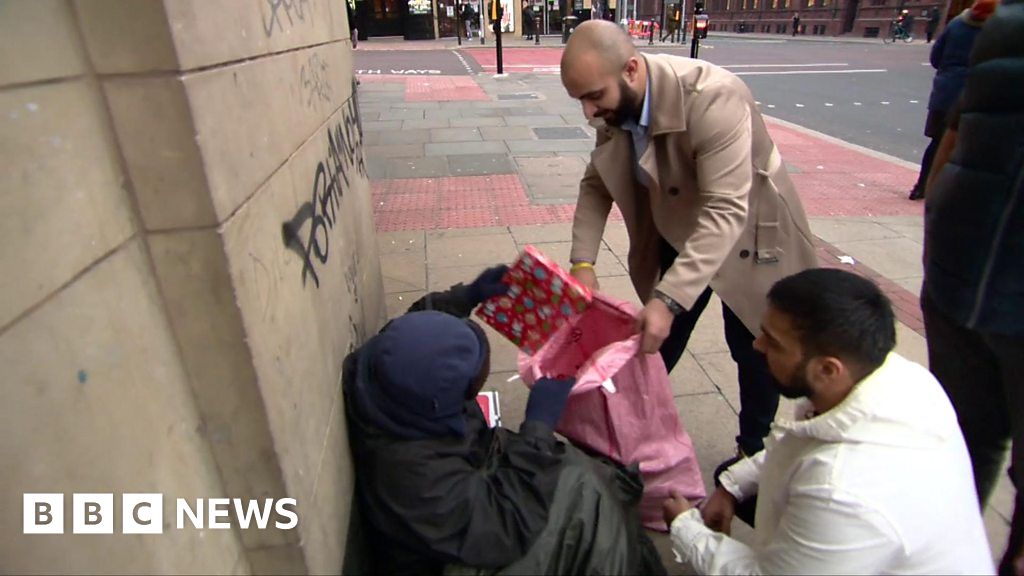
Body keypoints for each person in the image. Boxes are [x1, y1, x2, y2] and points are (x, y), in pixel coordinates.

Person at [560, 21, 817, 465]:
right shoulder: (616, 108)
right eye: (579, 99)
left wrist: (667, 298)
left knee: (756, 348)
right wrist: (582, 263)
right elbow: (596, 184)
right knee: (657, 338)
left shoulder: (714, 97)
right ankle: (624, 429)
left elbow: (725, 210)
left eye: (594, 96)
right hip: (679, 228)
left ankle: (752, 452)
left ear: (632, 70)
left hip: (751, 235)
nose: (588, 112)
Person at [662, 268, 995, 574]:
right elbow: (799, 439)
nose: (757, 344)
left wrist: (684, 528)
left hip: (845, 521)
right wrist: (732, 486)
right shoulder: (898, 377)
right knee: (730, 475)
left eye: (773, 342)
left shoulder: (841, 491)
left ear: (827, 369)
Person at [344, 266, 666, 575]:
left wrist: (467, 296)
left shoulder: (381, 369)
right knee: (586, 504)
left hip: (466, 480)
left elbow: (415, 324)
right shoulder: (415, 478)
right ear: (439, 405)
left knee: (580, 473)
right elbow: (504, 525)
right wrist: (537, 425)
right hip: (448, 555)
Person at [922, 0, 1023, 572]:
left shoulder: (988, 24)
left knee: (963, 441)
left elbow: (951, 143)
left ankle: (946, 546)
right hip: (965, 273)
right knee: (967, 439)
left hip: (959, 267)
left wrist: (940, 222)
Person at [908, 0, 994, 200]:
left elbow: (936, 58)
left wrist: (949, 72)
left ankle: (922, 186)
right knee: (969, 147)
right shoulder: (997, 29)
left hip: (945, 92)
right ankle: (952, 193)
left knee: (937, 143)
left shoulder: (956, 24)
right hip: (975, 94)